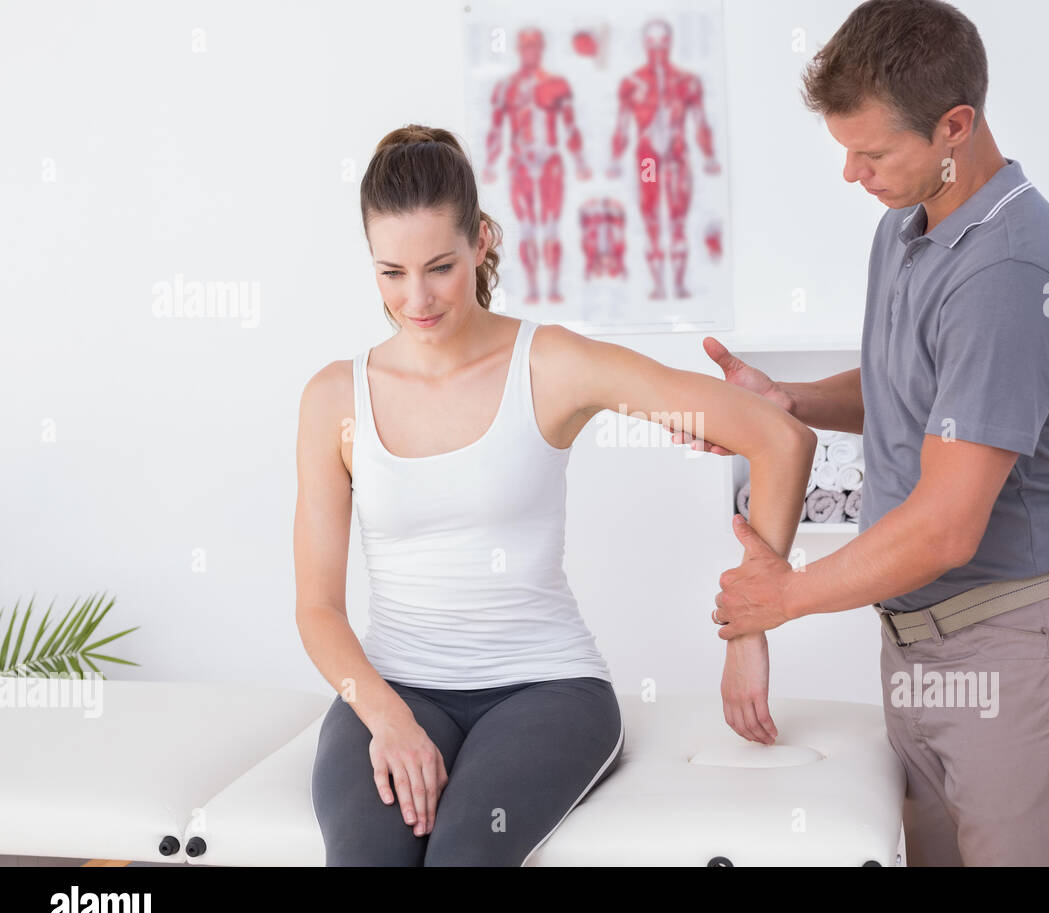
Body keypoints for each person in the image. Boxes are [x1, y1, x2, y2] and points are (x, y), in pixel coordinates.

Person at [293, 124, 815, 866]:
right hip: (395, 684)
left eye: (440, 266)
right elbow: (316, 607)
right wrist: (387, 717)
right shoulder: (333, 397)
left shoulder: (550, 365)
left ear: (482, 240)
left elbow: (781, 439)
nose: (417, 299)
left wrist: (751, 625)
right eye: (391, 273)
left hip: (546, 690)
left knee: (465, 854)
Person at [679, 0, 1049, 866]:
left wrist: (785, 596)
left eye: (871, 152)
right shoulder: (908, 229)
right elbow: (916, 393)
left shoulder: (1011, 266)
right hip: (918, 644)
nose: (851, 173)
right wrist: (791, 401)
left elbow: (950, 523)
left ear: (955, 126)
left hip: (1013, 648)